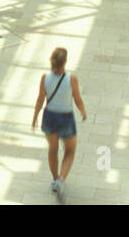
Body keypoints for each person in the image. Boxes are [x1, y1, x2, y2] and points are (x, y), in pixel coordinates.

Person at [32, 47, 87, 201]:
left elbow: (40, 99)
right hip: (66, 118)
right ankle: (61, 179)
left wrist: (35, 117)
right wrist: (83, 111)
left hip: (49, 117)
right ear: (65, 62)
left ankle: (55, 178)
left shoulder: (45, 77)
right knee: (70, 150)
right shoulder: (71, 79)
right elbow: (77, 98)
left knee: (53, 149)